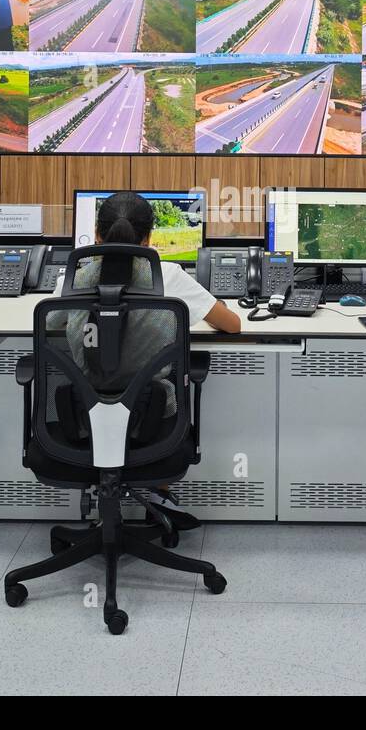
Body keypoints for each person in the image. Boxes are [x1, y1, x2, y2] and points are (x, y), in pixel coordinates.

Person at [54, 191, 240, 531]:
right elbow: (232, 325)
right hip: (153, 422)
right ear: (149, 238)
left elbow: (49, 322)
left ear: (97, 234)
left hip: (83, 419)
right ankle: (157, 497)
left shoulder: (72, 279)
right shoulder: (168, 278)